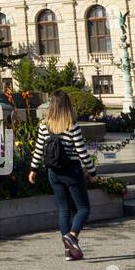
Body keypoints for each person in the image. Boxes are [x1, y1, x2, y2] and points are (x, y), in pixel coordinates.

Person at [28, 90, 98, 261]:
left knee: (63, 209)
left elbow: (38, 150)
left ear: (51, 105)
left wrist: (33, 169)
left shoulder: (45, 125)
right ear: (67, 105)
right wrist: (92, 173)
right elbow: (82, 153)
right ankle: (72, 237)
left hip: (53, 172)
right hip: (72, 171)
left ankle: (69, 251)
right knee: (83, 208)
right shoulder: (71, 125)